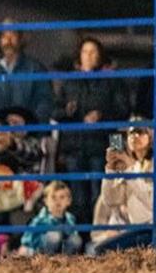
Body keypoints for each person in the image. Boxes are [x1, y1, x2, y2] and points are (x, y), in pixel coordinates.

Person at [52, 37, 124, 224]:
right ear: (79, 55)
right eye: (85, 52)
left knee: (99, 195)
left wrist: (102, 116)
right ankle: (79, 240)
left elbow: (123, 111)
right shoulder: (69, 82)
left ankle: (98, 236)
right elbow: (56, 112)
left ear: (100, 56)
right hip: (74, 147)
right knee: (76, 197)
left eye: (93, 52)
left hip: (101, 146)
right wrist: (68, 110)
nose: (89, 56)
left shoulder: (112, 81)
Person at [92, 119, 156, 254]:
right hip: (134, 232)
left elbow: (153, 201)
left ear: (151, 136)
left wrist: (129, 169)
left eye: (140, 132)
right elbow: (111, 200)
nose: (135, 136)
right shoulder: (125, 166)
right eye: (131, 133)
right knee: (100, 249)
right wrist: (110, 169)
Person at [0, 21, 53, 128]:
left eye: (13, 35)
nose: (8, 40)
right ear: (0, 41)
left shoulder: (35, 69)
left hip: (28, 137)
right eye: (4, 36)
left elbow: (45, 102)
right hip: (1, 137)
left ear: (20, 40)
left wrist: (29, 126)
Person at [18, 181, 82, 256]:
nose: (58, 201)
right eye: (53, 197)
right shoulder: (40, 219)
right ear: (45, 201)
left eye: (62, 197)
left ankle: (64, 261)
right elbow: (27, 239)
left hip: (61, 250)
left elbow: (73, 234)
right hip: (40, 251)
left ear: (69, 201)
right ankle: (46, 260)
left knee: (76, 240)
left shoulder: (70, 218)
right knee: (54, 236)